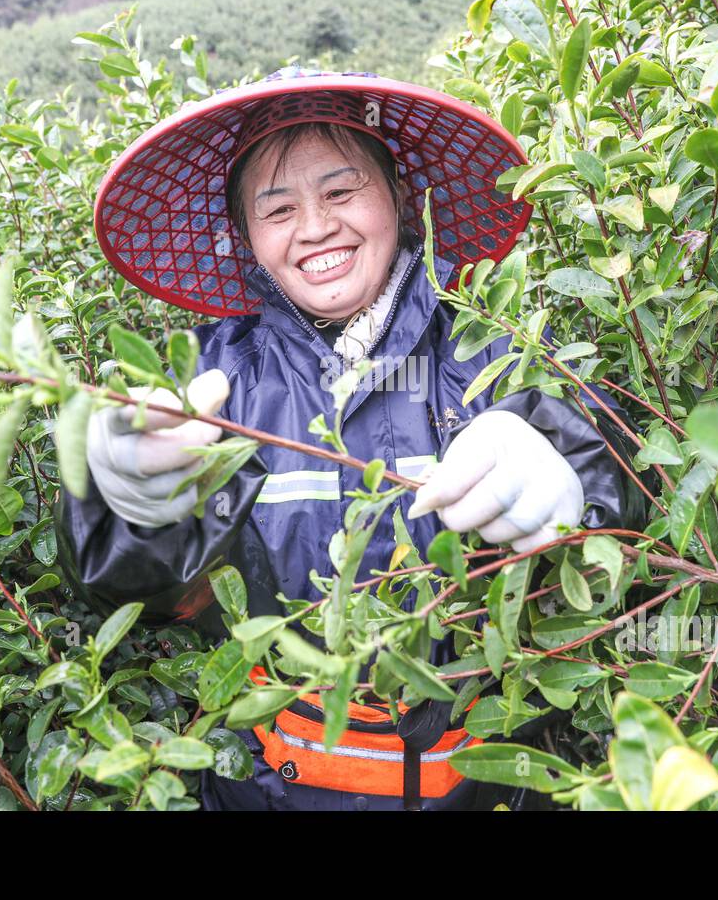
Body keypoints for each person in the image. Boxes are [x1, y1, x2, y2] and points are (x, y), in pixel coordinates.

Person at [55, 67, 642, 810]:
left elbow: (622, 529)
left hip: (482, 790)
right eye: (277, 208)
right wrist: (128, 501)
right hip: (268, 791)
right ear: (245, 234)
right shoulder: (215, 375)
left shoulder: (492, 342)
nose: (315, 226)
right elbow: (130, 585)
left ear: (399, 194)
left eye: (341, 191)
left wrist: (573, 509)